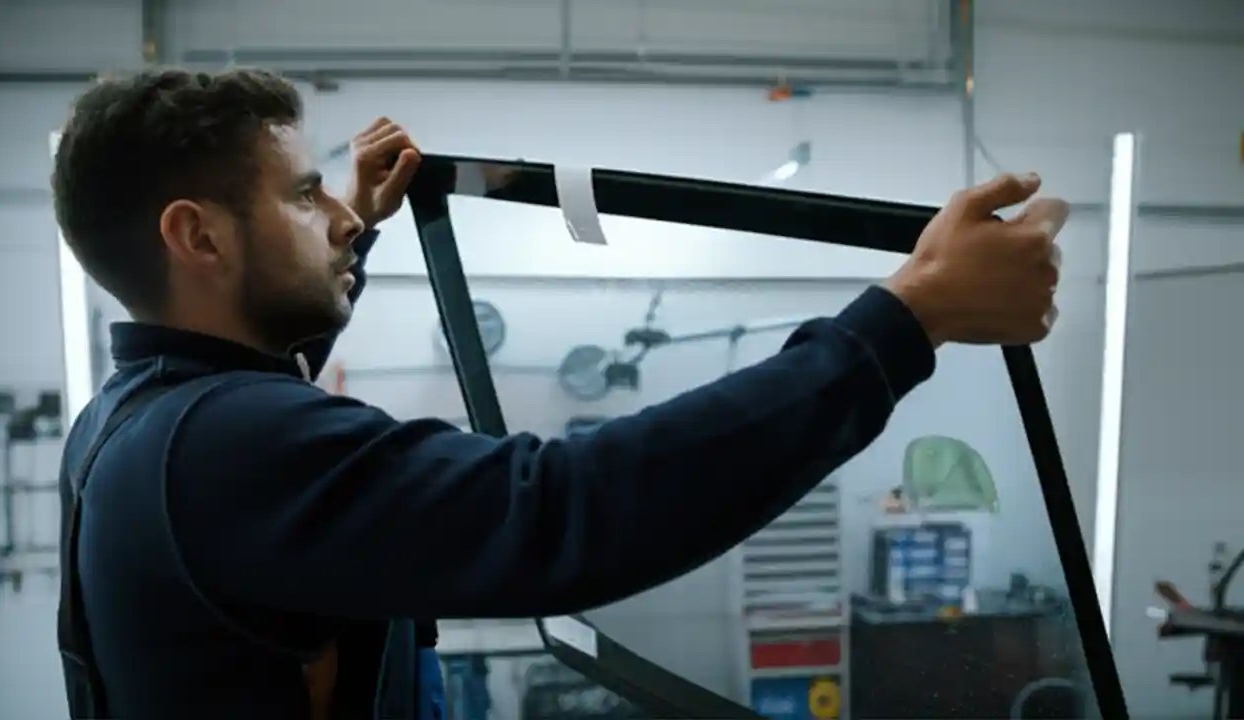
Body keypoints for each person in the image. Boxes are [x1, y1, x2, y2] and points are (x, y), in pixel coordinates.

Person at [51, 67, 1067, 720]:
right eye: (295, 194)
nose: (336, 216)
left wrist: (356, 222)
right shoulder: (222, 448)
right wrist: (907, 317)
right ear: (198, 236)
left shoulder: (132, 421)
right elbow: (562, 510)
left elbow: (264, 397)